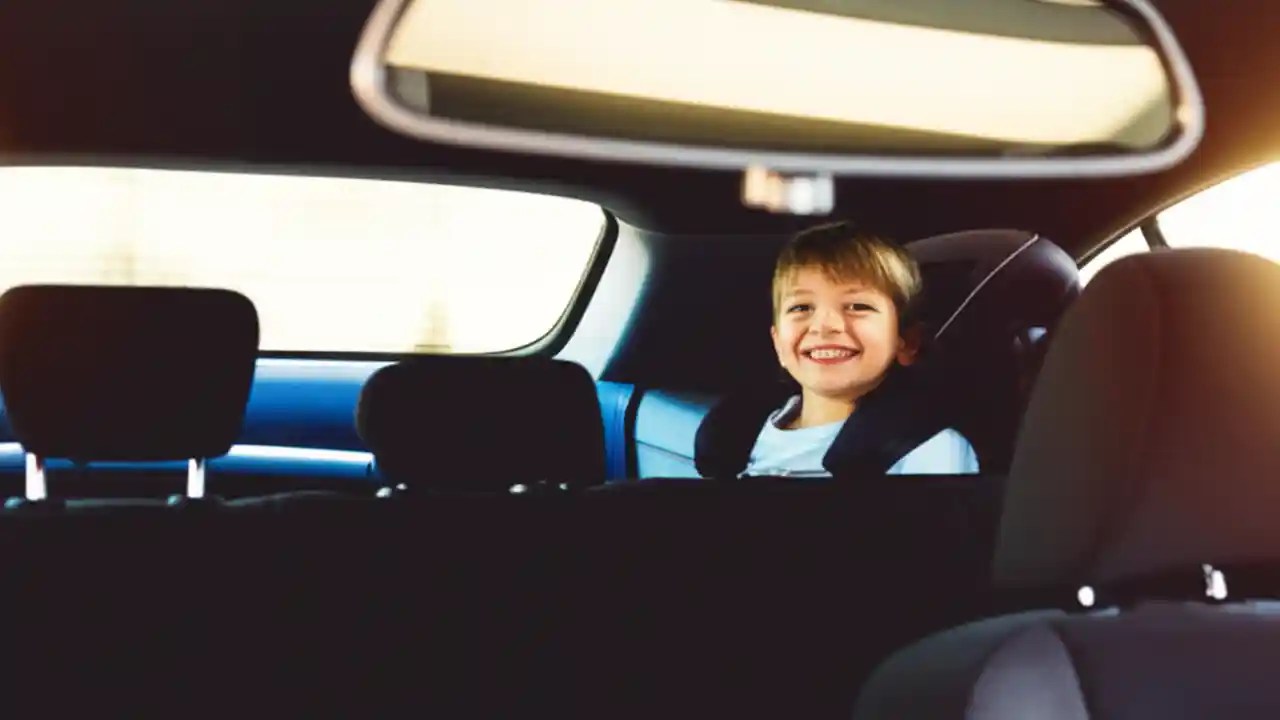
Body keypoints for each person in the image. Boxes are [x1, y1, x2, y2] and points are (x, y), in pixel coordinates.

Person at [744, 222, 979, 477]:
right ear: (778, 343)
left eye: (857, 306)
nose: (824, 326)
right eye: (801, 308)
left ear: (907, 342)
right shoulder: (736, 440)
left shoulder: (927, 450)